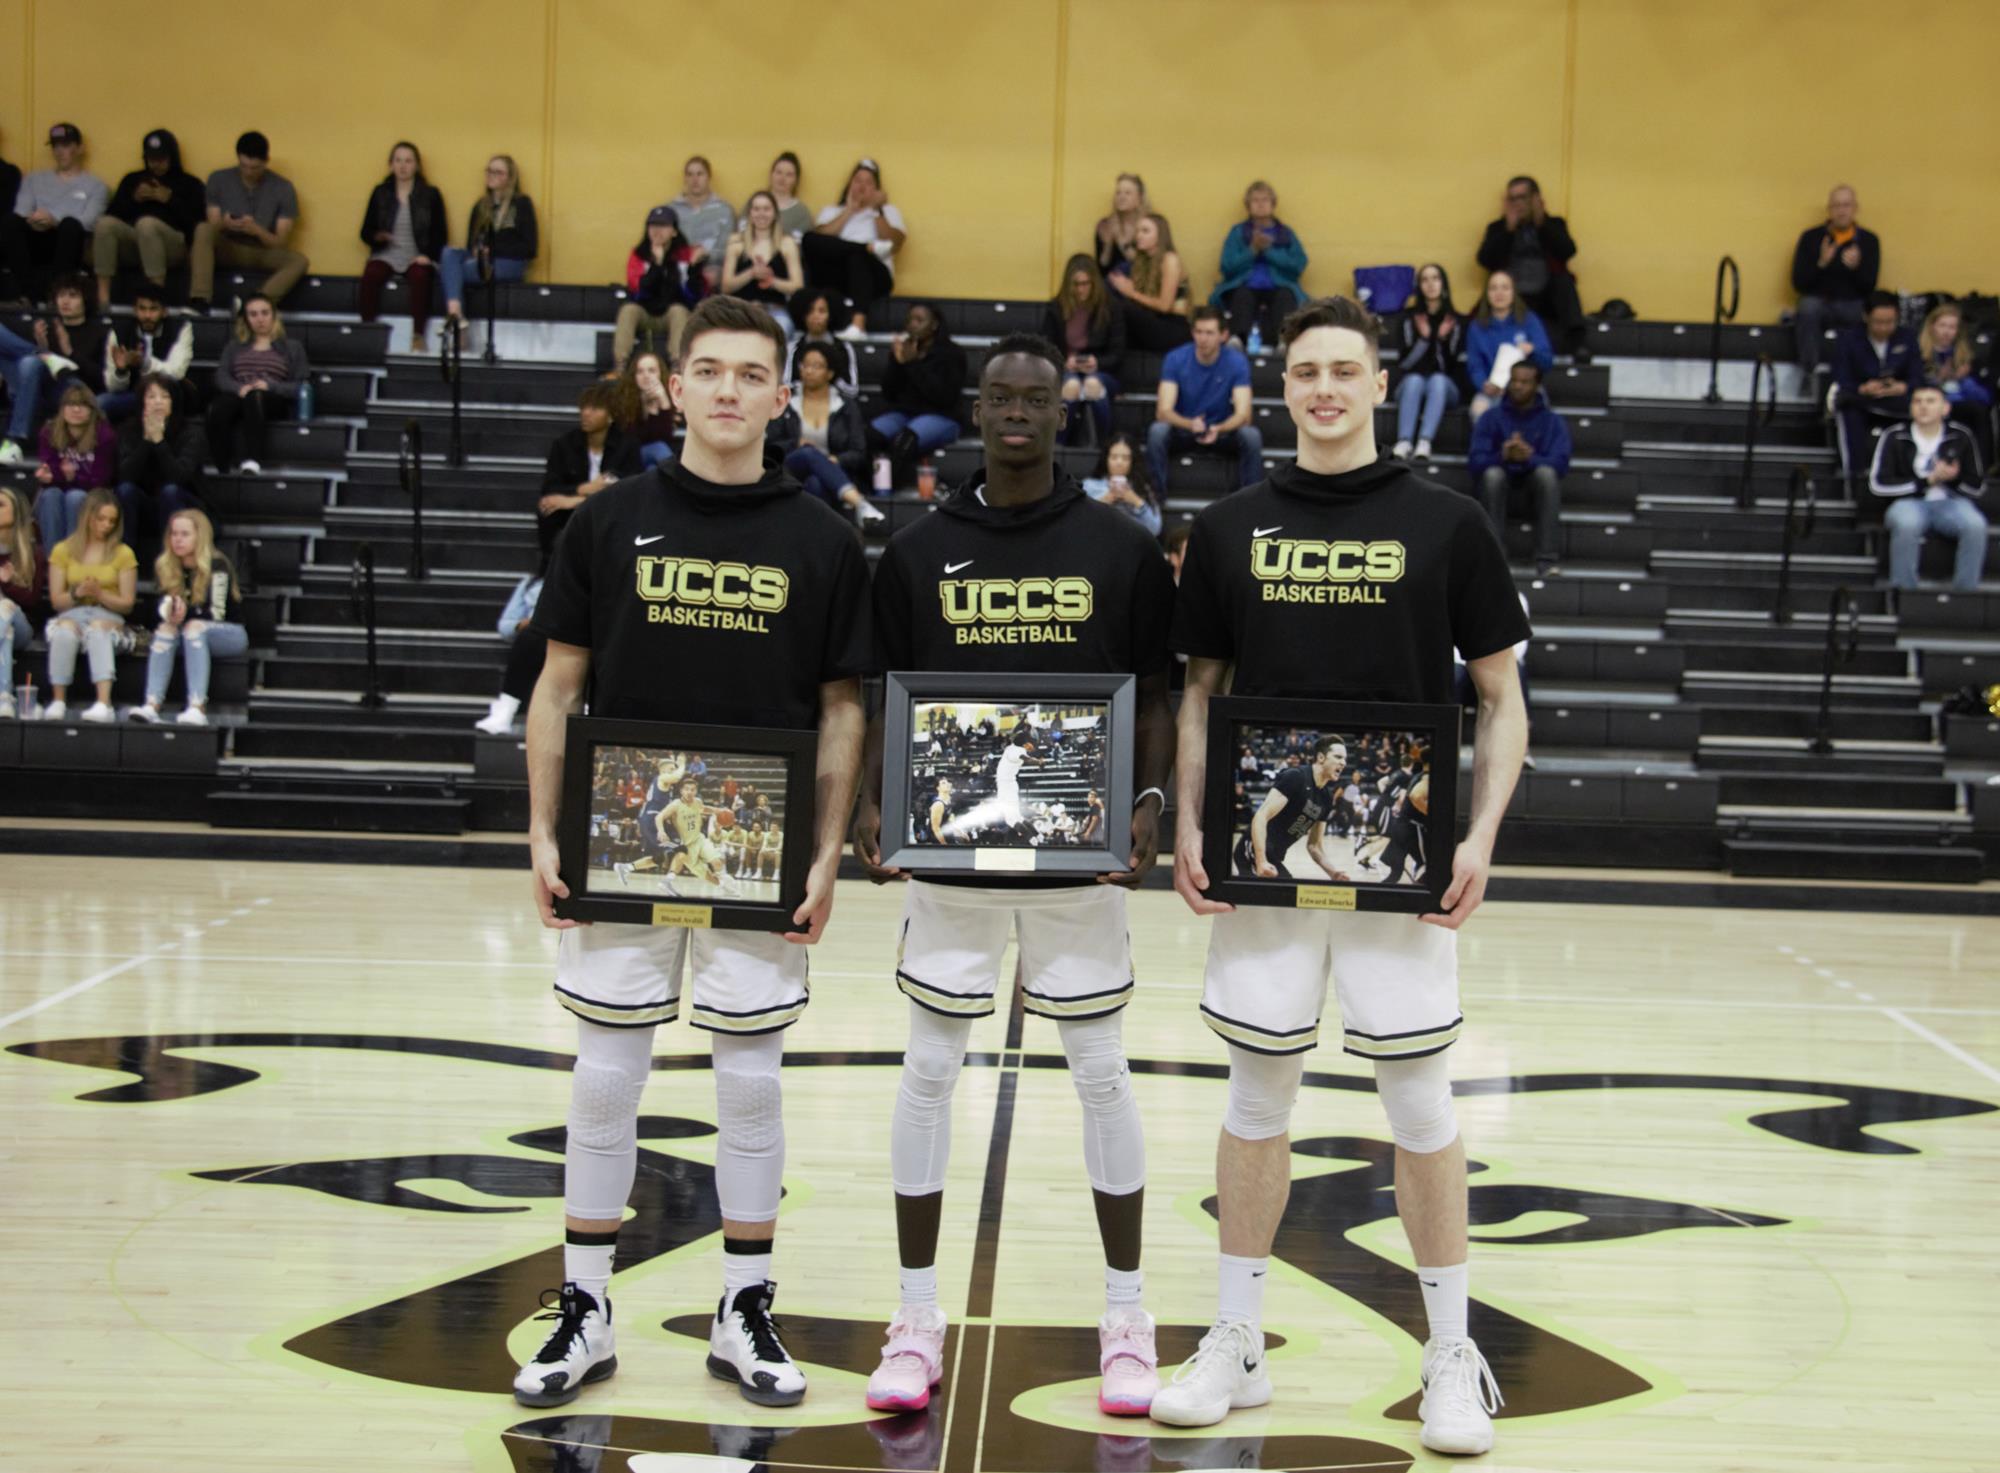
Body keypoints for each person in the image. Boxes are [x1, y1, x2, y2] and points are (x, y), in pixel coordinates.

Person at [1159, 296, 1531, 1456]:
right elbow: (1199, 693)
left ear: (1377, 384)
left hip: (1402, 866)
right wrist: (1190, 822)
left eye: (1342, 370)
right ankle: (1236, 1339)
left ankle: (1449, 1355)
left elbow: (1501, 699)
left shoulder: (1449, 524)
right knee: (1254, 1099)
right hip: (1263, 869)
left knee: (1418, 1104)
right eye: (1304, 371)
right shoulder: (1230, 527)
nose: (1323, 388)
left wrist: (1477, 837)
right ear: (1283, 388)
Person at [516, 295, 871, 1413]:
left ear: (783, 396)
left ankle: (742, 1306)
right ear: (673, 387)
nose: (727, 390)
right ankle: (584, 1306)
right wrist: (540, 829)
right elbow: (557, 688)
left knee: (750, 1082)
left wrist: (827, 851)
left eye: (750, 373)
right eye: (707, 370)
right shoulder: (608, 522)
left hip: (755, 855)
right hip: (620, 842)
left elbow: (843, 709)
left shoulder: (823, 540)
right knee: (604, 1076)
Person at [853, 330, 1177, 1420]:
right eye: (1000, 397)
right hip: (951, 859)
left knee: (1101, 1072)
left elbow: (1157, 693)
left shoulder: (1121, 547)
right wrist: (871, 800)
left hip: (1076, 867)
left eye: (1036, 399)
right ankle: (914, 1315)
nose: (1017, 414)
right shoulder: (917, 549)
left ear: (1061, 412)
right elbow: (884, 690)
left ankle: (1126, 1317)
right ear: (977, 408)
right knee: (927, 1070)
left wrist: (1146, 802)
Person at [131, 507, 242, 725]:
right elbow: (155, 613)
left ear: (200, 537)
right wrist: (168, 613)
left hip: (229, 633)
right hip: (187, 633)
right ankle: (152, 704)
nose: (178, 540)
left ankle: (197, 706)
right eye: (174, 534)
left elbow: (217, 613)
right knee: (166, 629)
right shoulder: (166, 565)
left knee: (193, 627)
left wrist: (186, 614)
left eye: (185, 534)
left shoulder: (218, 565)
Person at [1870, 385, 1987, 591]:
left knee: (1975, 525)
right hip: (1907, 503)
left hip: (1950, 502)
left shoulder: (1961, 435)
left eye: (1931, 401)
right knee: (1907, 524)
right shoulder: (1895, 435)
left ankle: (1966, 594)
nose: (1923, 406)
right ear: (1911, 408)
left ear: (1945, 408)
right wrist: (1926, 481)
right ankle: (1903, 593)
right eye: (1918, 401)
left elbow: (1977, 486)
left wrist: (1954, 478)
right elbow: (1878, 484)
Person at [42, 487, 138, 723]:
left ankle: (104, 704)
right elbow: (57, 601)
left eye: (112, 521)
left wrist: (100, 594)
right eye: (101, 519)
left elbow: (127, 604)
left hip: (108, 616)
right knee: (64, 630)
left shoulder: (123, 553)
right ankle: (58, 700)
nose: (106, 525)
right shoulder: (63, 550)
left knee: (98, 628)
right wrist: (78, 593)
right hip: (72, 614)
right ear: (87, 517)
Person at [1468, 358, 1571, 577]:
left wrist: (1528, 457)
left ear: (1537, 386)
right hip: (1496, 488)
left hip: (1534, 490)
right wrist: (1503, 456)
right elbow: (1475, 462)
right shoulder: (1490, 417)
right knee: (1492, 475)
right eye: (1514, 381)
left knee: (1547, 475)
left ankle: (1546, 559)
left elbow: (1561, 464)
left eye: (1525, 382)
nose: (1517, 386)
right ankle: (1494, 559)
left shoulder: (1552, 421)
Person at [1146, 306, 1261, 493]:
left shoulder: (1236, 362)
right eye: (1198, 332)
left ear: (1223, 335)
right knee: (1157, 431)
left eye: (1209, 333)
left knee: (1251, 436)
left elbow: (1244, 415)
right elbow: (1163, 412)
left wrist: (1220, 428)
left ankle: (1250, 498)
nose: (1203, 338)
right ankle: (1156, 496)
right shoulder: (1175, 359)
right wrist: (1189, 424)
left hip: (1220, 430)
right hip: (1184, 429)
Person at [770, 340, 880, 525]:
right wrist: (795, 444)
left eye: (817, 366)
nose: (809, 371)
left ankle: (816, 533)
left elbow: (859, 451)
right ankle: (859, 503)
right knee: (807, 453)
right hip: (790, 468)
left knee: (815, 483)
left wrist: (836, 460)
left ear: (830, 373)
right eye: (805, 365)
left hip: (830, 473)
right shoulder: (786, 402)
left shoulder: (845, 407)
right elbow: (770, 444)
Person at [194, 132, 307, 311]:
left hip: (262, 251)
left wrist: (257, 230)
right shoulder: (218, 179)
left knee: (299, 261)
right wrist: (225, 223)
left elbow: (280, 242)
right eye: (244, 166)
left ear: (266, 161)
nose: (248, 172)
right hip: (228, 247)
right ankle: (199, 299)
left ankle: (256, 303)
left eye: (255, 168)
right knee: (203, 228)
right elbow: (212, 226)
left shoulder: (283, 188)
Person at [92, 129, 205, 309]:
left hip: (174, 245)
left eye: (161, 159)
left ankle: (155, 298)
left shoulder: (189, 183)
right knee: (104, 224)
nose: (156, 164)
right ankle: (103, 298)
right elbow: (112, 214)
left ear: (172, 157)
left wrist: (170, 200)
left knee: (147, 224)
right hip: (135, 241)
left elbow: (196, 225)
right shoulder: (132, 180)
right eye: (152, 159)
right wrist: (133, 200)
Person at [1475, 175, 1585, 356]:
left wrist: (1542, 223)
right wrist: (1508, 230)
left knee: (1564, 282)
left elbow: (1567, 251)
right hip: (1513, 293)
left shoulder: (1554, 224)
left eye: (1522, 197)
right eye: (1512, 199)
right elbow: (1485, 260)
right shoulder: (1497, 228)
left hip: (1546, 294)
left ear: (1535, 199)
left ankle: (1577, 345)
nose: (1518, 204)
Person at [2, 124, 107, 305]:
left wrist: (54, 221)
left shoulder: (95, 185)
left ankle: (56, 294)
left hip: (67, 239)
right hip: (36, 235)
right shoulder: (35, 179)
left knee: (70, 225)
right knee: (10, 222)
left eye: (65, 146)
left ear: (79, 148)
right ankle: (27, 294)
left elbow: (88, 222)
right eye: (55, 146)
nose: (59, 152)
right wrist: (34, 220)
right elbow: (21, 211)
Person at [802, 159, 906, 338]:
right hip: (837, 275)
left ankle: (858, 325)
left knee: (858, 257)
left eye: (868, 182)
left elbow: (895, 242)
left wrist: (875, 209)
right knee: (809, 239)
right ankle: (865, 248)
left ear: (877, 189)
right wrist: (849, 210)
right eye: (858, 180)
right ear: (849, 184)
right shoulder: (831, 211)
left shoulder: (888, 212)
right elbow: (819, 239)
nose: (862, 186)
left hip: (875, 276)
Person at [358, 142, 446, 352]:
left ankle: (418, 335)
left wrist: (428, 256)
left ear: (417, 165)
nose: (403, 166)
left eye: (408, 161)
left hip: (417, 254)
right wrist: (377, 237)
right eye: (398, 160)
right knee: (371, 274)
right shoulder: (380, 192)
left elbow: (440, 233)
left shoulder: (430, 194)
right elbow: (365, 231)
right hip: (386, 253)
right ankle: (367, 331)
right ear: (390, 164)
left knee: (420, 276)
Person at [206, 294, 307, 476]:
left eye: (264, 313)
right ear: (246, 319)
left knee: (256, 397)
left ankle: (253, 460)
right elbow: (221, 376)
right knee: (218, 407)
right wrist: (239, 388)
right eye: (253, 314)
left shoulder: (292, 347)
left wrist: (270, 386)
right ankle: (222, 466)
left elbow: (300, 385)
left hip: (273, 398)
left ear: (274, 315)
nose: (260, 319)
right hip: (240, 393)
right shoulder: (234, 346)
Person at [441, 154, 539, 340]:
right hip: (481, 261)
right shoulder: (480, 206)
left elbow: (529, 248)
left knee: (451, 272)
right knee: (449, 254)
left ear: (510, 177)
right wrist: (478, 251)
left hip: (509, 263)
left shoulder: (521, 204)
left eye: (498, 172)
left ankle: (457, 325)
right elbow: (471, 243)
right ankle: (456, 312)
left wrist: (492, 250)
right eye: (489, 171)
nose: (492, 175)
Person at [538, 383, 641, 558]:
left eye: (595, 408)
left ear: (611, 415)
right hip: (571, 516)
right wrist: (582, 489)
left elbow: (631, 490)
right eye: (584, 407)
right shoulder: (564, 445)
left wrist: (577, 501)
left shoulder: (627, 446)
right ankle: (549, 566)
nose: (586, 413)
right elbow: (550, 487)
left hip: (609, 514)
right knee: (547, 508)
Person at [1831, 290, 1918, 487]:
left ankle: (1912, 471)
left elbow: (1917, 376)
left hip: (1896, 399)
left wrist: (1902, 386)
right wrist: (1862, 388)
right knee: (1848, 409)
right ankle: (1855, 474)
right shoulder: (1848, 339)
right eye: (1878, 322)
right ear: (1866, 317)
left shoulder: (1907, 337)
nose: (1884, 327)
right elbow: (1840, 377)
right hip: (1860, 399)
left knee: (1924, 406)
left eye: (1890, 322)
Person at [1791, 185, 1881, 374]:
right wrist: (1821, 263)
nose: (1841, 211)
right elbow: (1799, 284)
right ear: (1829, 210)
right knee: (1807, 308)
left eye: (1846, 205)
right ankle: (1809, 372)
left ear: (1855, 208)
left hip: (1852, 303)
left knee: (1871, 314)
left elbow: (1869, 286)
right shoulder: (1811, 238)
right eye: (1836, 206)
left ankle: (1861, 374)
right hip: (1819, 302)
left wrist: (1856, 268)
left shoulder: (1869, 241)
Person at [871, 302, 966, 476]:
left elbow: (944, 397)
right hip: (905, 415)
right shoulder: (904, 350)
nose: (912, 324)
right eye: (909, 320)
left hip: (942, 416)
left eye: (919, 320)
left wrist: (913, 364)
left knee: (904, 440)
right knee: (870, 436)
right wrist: (897, 364)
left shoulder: (952, 354)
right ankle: (864, 485)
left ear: (934, 324)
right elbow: (889, 393)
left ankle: (888, 486)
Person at [1041, 254, 1126, 446]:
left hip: (1103, 371)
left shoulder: (1110, 307)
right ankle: (1058, 445)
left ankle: (1103, 446)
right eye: (1076, 284)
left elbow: (1118, 353)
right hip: (1066, 370)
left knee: (1092, 385)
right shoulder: (1056, 308)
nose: (1081, 289)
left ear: (1094, 283)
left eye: (1086, 284)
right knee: (1071, 387)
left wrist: (1097, 362)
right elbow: (1046, 349)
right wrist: (1064, 362)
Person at [1212, 181, 1309, 348]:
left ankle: (1284, 341)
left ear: (1273, 204)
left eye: (1265, 200)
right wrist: (1252, 250)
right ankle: (1237, 340)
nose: (1260, 204)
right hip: (1245, 285)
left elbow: (1298, 265)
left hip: (1279, 286)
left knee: (1285, 296)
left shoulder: (1285, 233)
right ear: (1248, 205)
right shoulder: (1238, 232)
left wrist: (1269, 251)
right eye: (1255, 200)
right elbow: (1226, 267)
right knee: (1242, 295)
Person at [1392, 263, 1469, 464]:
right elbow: (1405, 364)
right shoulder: (1408, 318)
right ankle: (1404, 441)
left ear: (1444, 284)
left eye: (1435, 278)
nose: (1430, 284)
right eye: (1424, 279)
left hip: (1445, 389)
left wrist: (1441, 340)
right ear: (1419, 286)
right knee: (1415, 380)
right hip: (1410, 386)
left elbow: (1450, 367)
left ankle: (1424, 441)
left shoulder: (1455, 320)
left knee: (1437, 380)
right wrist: (1425, 339)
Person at [115, 372, 205, 543]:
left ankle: (171, 554)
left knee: (170, 491)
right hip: (143, 505)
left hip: (182, 502)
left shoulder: (190, 432)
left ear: (173, 402)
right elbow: (124, 475)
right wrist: (146, 441)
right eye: (151, 397)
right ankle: (125, 553)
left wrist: (159, 441)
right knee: (125, 490)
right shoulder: (128, 430)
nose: (158, 402)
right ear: (142, 402)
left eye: (165, 397)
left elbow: (180, 477)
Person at [614, 206, 700, 371]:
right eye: (653, 225)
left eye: (663, 225)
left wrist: (694, 268)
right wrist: (657, 265)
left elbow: (691, 296)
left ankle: (677, 365)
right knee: (628, 310)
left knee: (678, 311)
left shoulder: (686, 255)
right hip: (646, 312)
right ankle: (620, 365)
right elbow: (638, 292)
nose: (657, 230)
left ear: (674, 231)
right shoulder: (638, 255)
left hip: (671, 313)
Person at [31, 383, 115, 548]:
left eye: (82, 405)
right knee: (50, 495)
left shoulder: (104, 435)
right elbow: (51, 470)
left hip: (93, 494)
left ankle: (73, 557)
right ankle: (54, 558)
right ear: (62, 409)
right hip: (59, 491)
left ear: (92, 410)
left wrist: (72, 477)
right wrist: (47, 476)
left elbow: (101, 480)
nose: (76, 410)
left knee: (75, 497)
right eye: (70, 405)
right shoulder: (49, 432)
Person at [101, 282, 195, 423]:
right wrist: (121, 370)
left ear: (164, 311)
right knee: (101, 403)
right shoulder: (118, 332)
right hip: (133, 395)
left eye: (153, 309)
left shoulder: (181, 328)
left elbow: (176, 372)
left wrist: (144, 363)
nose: (147, 315)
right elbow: (112, 387)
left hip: (168, 396)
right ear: (135, 310)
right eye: (142, 309)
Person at [1466, 270, 1551, 424]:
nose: (1499, 293)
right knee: (1478, 410)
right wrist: (1484, 385)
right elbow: (1475, 365)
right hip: (1492, 390)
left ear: (1513, 292)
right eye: (1493, 288)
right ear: (1487, 294)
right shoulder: (1476, 327)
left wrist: (1532, 350)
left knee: (1536, 407)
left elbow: (1547, 361)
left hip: (1525, 388)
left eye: (1505, 288)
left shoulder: (1529, 320)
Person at [1914, 301, 1995, 462]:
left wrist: (1963, 379)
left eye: (1952, 327)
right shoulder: (1918, 353)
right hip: (1932, 402)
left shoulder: (1966, 356)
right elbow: (1915, 385)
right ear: (1932, 327)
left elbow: (1986, 397)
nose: (1947, 332)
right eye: (1942, 325)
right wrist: (1939, 380)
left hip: (1961, 402)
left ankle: (1981, 464)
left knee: (1979, 411)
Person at [473, 560, 545, 734]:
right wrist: (524, 624)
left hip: (570, 638)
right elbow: (505, 627)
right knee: (529, 636)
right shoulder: (531, 583)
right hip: (536, 640)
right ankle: (505, 711)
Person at [1109, 213, 1191, 353]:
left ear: (1160, 236)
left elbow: (1165, 306)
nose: (1138, 236)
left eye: (1145, 231)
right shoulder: (1143, 261)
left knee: (1122, 307)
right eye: (1137, 231)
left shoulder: (1170, 259)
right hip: (1154, 321)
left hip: (1174, 327)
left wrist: (1131, 293)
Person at [720, 192, 802, 331]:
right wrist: (751, 274)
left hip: (775, 310)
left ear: (775, 213)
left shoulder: (787, 243)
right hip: (742, 309)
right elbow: (726, 286)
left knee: (782, 328)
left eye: (766, 209)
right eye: (756, 209)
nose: (761, 214)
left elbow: (797, 286)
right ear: (750, 213)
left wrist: (772, 281)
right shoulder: (736, 242)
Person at [0, 485, 49, 718]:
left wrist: (8, 584)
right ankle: (4, 697)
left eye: (1, 505)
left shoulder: (32, 552)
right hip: (5, 627)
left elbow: (32, 600)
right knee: (5, 631)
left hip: (23, 624)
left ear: (16, 511)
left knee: (4, 608)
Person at [669, 155, 734, 285]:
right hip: (678, 265)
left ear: (708, 177)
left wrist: (706, 253)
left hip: (711, 266)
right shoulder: (672, 210)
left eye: (700, 174)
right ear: (685, 178)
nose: (695, 179)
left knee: (710, 276)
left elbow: (728, 248)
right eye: (690, 174)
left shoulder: (724, 210)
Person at [1082, 433, 1162, 537]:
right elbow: (1081, 523)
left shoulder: (1141, 488)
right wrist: (1106, 499)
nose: (1119, 462)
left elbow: (1155, 529)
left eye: (1125, 458)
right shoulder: (1090, 486)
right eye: (1114, 457)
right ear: (1106, 459)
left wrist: (1135, 500)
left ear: (1132, 461)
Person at [781, 289, 859, 389]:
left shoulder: (844, 348)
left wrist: (826, 380)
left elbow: (852, 390)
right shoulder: (793, 348)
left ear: (831, 315)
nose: (815, 316)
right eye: (810, 311)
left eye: (822, 311)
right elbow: (787, 385)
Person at [613, 350, 676, 468]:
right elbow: (632, 440)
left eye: (651, 371)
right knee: (659, 449)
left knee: (652, 468)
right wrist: (644, 408)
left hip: (650, 458)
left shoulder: (667, 397)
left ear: (660, 374)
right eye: (640, 371)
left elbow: (666, 437)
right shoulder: (624, 398)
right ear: (634, 376)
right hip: (627, 456)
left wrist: (663, 402)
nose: (646, 376)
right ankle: (677, 476)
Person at [1095, 173, 1148, 279]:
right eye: (1118, 193)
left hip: (1141, 282)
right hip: (1111, 283)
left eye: (1128, 193)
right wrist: (1108, 244)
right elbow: (1102, 267)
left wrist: (1121, 241)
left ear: (1139, 198)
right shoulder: (1105, 224)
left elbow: (1146, 266)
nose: (1121, 197)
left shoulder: (1149, 225)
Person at [765, 151, 813, 238]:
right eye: (779, 172)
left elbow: (798, 243)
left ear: (796, 180)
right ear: (771, 174)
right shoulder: (753, 204)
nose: (782, 178)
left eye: (789, 175)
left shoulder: (801, 213)